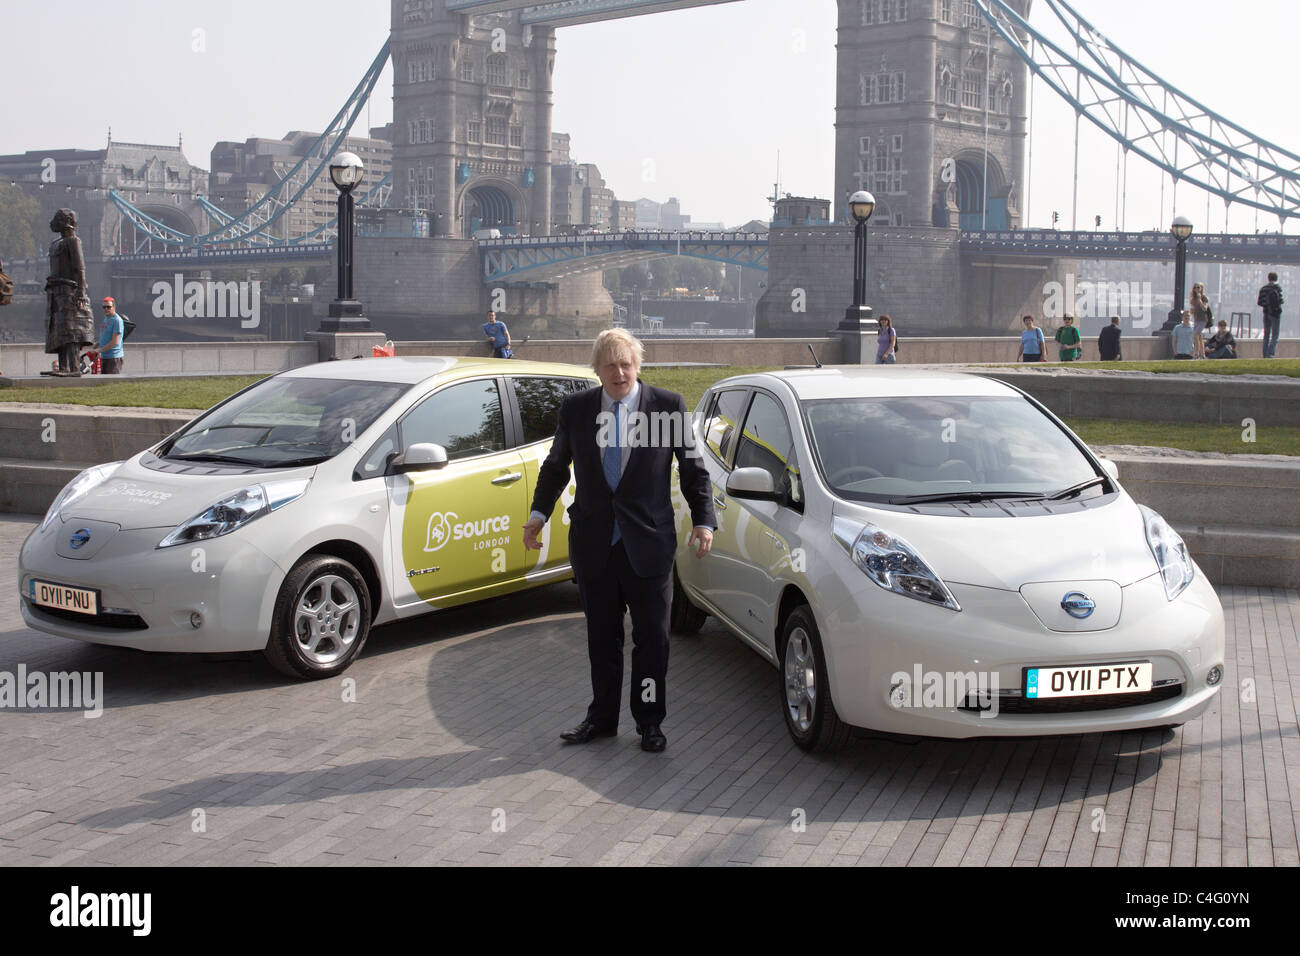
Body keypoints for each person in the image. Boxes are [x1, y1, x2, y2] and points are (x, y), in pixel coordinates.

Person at [523, 329, 715, 754]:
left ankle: (649, 721)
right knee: (601, 636)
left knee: (652, 639)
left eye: (626, 363)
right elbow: (556, 467)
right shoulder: (576, 410)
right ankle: (602, 718)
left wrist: (704, 519)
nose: (619, 372)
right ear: (597, 370)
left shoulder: (667, 407)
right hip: (595, 546)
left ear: (638, 366)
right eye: (610, 364)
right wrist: (538, 515)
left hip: (647, 546)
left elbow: (693, 469)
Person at [43, 209, 95, 377]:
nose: (52, 223)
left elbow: (79, 268)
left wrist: (81, 292)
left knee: (71, 329)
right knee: (59, 329)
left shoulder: (73, 241)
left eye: (56, 219)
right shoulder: (56, 244)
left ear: (65, 222)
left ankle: (74, 368)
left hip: (69, 291)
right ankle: (63, 367)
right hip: (56, 291)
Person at [1258, 272, 1284, 358]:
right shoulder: (1277, 288)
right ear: (1276, 279)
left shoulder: (1263, 289)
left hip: (1266, 313)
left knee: (1266, 334)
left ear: (1268, 278)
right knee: (1275, 334)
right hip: (1275, 314)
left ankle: (1265, 354)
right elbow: (1281, 301)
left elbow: (1260, 302)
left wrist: (1267, 306)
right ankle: (1271, 353)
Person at [97, 297, 126, 374]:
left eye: (108, 307)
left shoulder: (117, 320)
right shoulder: (106, 319)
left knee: (111, 382)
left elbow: (115, 342)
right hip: (104, 356)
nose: (106, 309)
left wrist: (99, 350)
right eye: (104, 307)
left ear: (114, 307)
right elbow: (106, 336)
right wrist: (98, 344)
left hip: (114, 358)